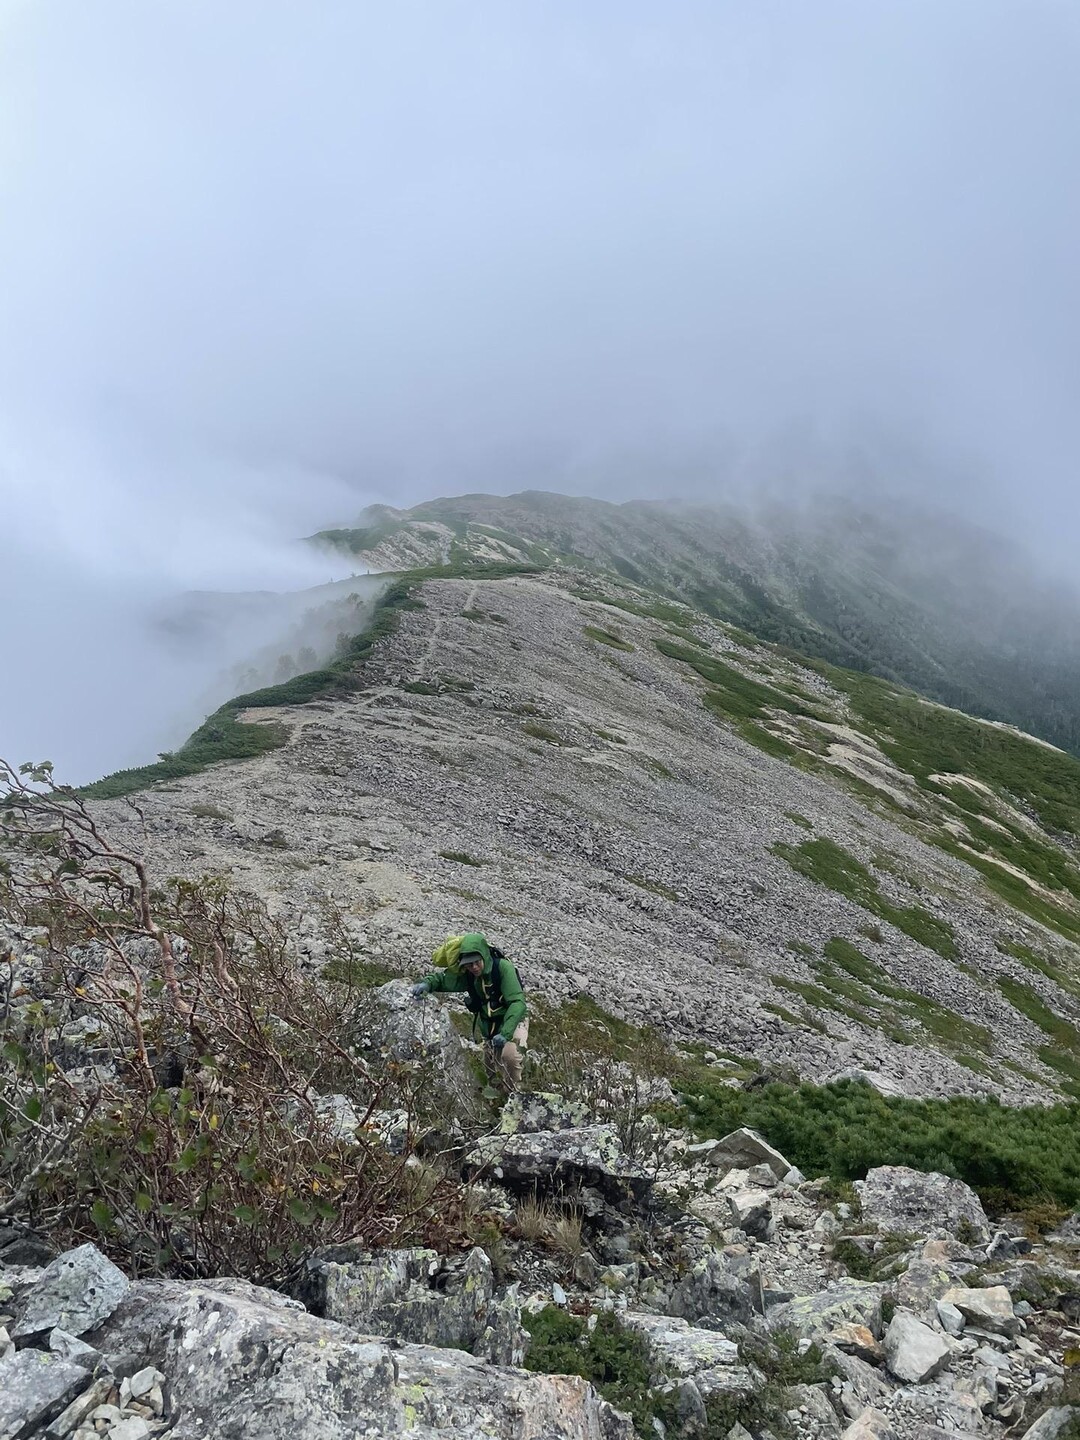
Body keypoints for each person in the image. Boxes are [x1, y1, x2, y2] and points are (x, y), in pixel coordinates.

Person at [412, 932, 528, 1093]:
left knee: (510, 1056)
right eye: (468, 964)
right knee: (492, 1069)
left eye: (476, 962)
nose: (474, 967)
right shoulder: (469, 975)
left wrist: (506, 1033)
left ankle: (516, 1095)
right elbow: (444, 979)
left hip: (513, 1021)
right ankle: (498, 1099)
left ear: (484, 956)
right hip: (489, 1025)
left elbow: (517, 1003)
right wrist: (427, 984)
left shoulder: (503, 968)